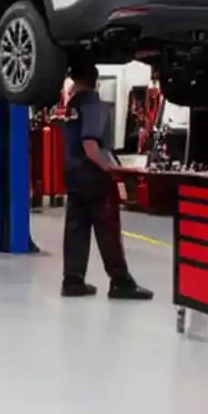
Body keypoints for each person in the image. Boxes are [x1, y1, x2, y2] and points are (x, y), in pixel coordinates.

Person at [61, 61, 153, 300]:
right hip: (93, 175)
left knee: (76, 228)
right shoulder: (93, 103)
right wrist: (112, 170)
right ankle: (120, 281)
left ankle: (73, 280)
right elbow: (90, 145)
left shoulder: (71, 106)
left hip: (72, 174)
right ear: (95, 80)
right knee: (107, 228)